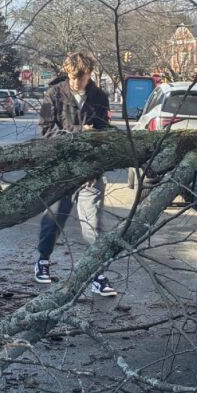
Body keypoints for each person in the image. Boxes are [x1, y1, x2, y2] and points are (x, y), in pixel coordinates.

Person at [35, 52, 117, 297]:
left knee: (93, 224)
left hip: (90, 171)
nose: (76, 82)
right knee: (54, 217)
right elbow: (46, 130)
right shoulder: (54, 94)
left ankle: (97, 275)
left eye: (80, 78)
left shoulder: (100, 96)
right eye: (72, 77)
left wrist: (97, 154)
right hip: (61, 169)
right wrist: (80, 132)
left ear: (89, 74)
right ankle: (43, 260)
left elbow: (103, 132)